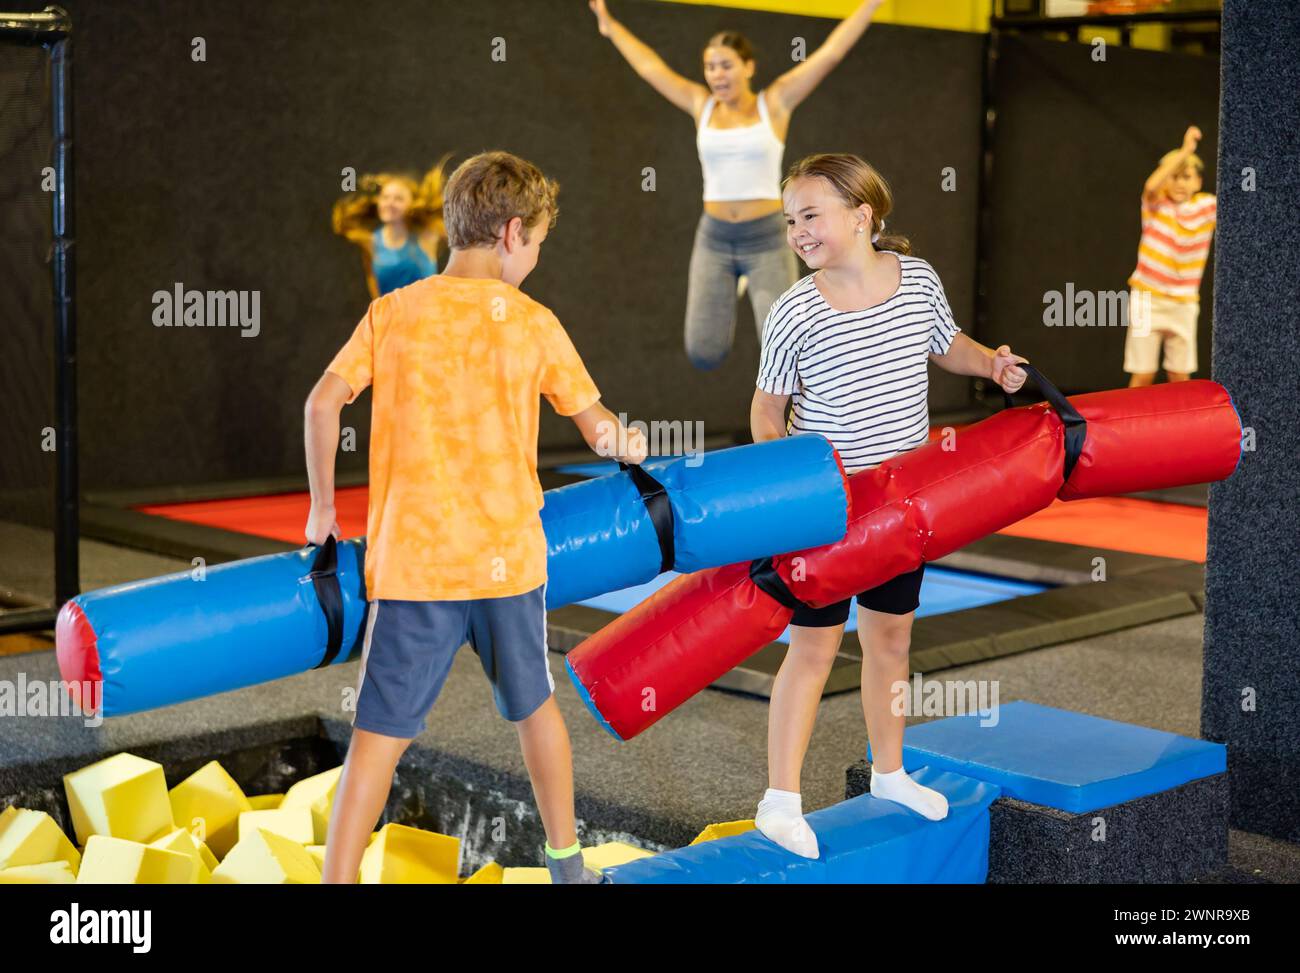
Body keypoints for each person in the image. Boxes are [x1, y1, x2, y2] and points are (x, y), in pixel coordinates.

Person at [305, 150, 648, 884]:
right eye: (539, 247)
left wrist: (323, 512)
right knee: (536, 714)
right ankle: (567, 867)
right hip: (507, 565)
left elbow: (321, 403)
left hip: (414, 569)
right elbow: (602, 432)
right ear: (514, 233)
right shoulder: (532, 321)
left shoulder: (392, 312)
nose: (535, 262)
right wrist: (637, 443)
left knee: (377, 739)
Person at [750, 153, 1027, 858]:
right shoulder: (795, 310)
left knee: (892, 641)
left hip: (901, 504)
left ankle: (890, 771)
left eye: (811, 214)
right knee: (812, 648)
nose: (798, 231)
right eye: (790, 220)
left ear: (862, 215)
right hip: (829, 510)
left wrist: (989, 363)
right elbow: (766, 410)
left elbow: (947, 345)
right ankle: (779, 800)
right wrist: (791, 491)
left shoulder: (919, 281)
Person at [589, 0, 885, 369]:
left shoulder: (773, 104)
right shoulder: (702, 106)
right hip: (714, 237)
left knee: (785, 348)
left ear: (748, 67)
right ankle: (733, 283)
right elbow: (651, 68)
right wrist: (610, 25)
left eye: (726, 65)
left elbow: (831, 53)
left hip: (766, 239)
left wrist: (870, 5)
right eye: (710, 67)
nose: (717, 75)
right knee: (704, 352)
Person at [1123, 125, 1217, 387]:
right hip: (1147, 299)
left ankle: (1180, 428)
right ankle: (1133, 426)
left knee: (1179, 376)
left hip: (1183, 304)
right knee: (1143, 374)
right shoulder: (1155, 205)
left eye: (1186, 176)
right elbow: (1152, 184)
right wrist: (1185, 150)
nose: (1179, 182)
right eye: (1174, 176)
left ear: (1198, 182)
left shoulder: (1207, 207)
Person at [332, 157, 451, 299]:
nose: (390, 203)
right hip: (390, 320)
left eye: (398, 199)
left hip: (427, 319)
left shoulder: (428, 235)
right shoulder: (371, 243)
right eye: (385, 197)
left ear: (412, 204)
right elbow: (375, 290)